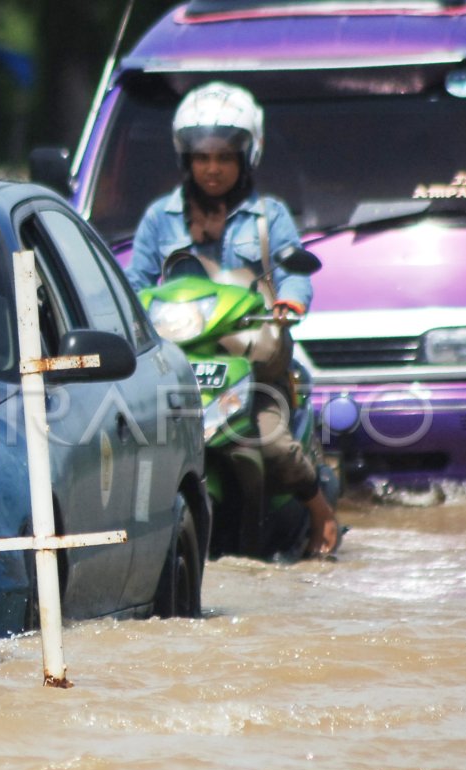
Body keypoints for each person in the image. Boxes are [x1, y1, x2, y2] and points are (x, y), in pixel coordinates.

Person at [126, 81, 340, 558]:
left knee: (272, 441)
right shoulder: (160, 218)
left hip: (250, 359)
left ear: (248, 157)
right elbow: (134, 283)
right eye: (202, 158)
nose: (213, 168)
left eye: (224, 157)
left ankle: (322, 514)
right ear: (186, 159)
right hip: (179, 365)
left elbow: (292, 271)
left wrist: (291, 302)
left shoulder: (269, 216)